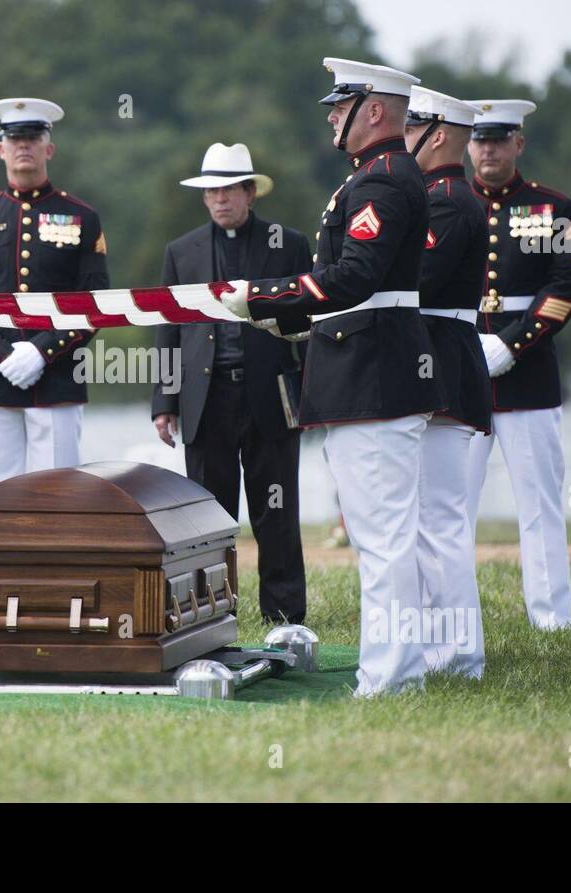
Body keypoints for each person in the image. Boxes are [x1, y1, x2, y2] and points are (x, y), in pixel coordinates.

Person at [220, 59, 444, 697]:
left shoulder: (380, 181)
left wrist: (266, 297)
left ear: (373, 110)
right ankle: (391, 671)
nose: (329, 117)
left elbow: (352, 277)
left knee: (383, 537)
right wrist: (293, 321)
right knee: (381, 534)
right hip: (366, 366)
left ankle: (391, 678)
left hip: (372, 375)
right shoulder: (378, 176)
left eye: (339, 106)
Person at [151, 142, 310, 624]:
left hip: (271, 397)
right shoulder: (180, 252)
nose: (220, 198)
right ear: (204, 197)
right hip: (206, 398)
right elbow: (167, 327)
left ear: (250, 193)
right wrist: (165, 400)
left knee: (276, 511)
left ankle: (283, 617)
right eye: (212, 190)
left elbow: (311, 324)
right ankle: (207, 614)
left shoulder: (290, 244)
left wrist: (312, 395)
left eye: (229, 189)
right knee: (205, 516)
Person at [465, 99, 571, 630]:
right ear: (467, 145)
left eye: (499, 139)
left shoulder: (554, 208)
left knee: (540, 504)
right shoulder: (443, 204)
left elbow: (565, 285)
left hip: (529, 373)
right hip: (461, 373)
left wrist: (513, 344)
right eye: (479, 140)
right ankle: (449, 619)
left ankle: (552, 619)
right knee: (450, 509)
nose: (488, 149)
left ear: (519, 143)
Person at [0, 98, 109, 488]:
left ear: (49, 148)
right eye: (14, 139)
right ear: (1, 149)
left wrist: (41, 350)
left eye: (33, 138)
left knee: (57, 496)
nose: (24, 146)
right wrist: (1, 354)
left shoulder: (81, 217)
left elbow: (95, 303)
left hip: (58, 376)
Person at [403, 86, 492, 677]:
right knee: (431, 522)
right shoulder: (444, 197)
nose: (400, 138)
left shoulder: (446, 201)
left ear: (436, 134)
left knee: (440, 522)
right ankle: (445, 647)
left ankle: (457, 654)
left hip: (442, 362)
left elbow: (418, 281)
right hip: (438, 359)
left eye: (411, 127)